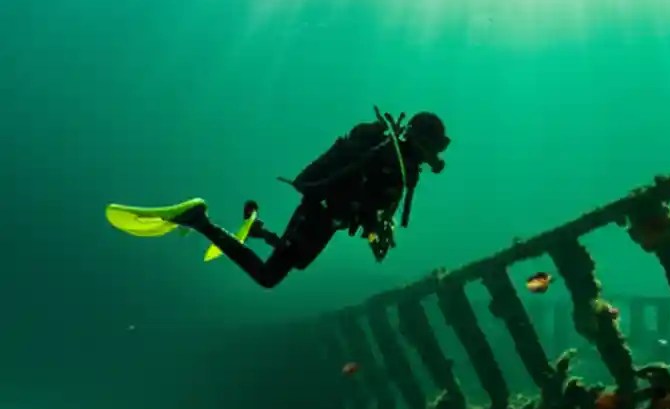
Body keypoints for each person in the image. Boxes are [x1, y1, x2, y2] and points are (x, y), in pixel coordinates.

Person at [106, 108, 451, 289]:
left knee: (289, 264)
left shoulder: (402, 163)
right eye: (435, 145)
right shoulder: (391, 160)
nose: (435, 154)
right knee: (269, 277)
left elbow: (371, 208)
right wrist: (373, 227)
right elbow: (362, 198)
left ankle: (260, 231)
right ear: (422, 140)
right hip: (319, 214)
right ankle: (200, 220)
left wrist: (376, 232)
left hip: (325, 219)